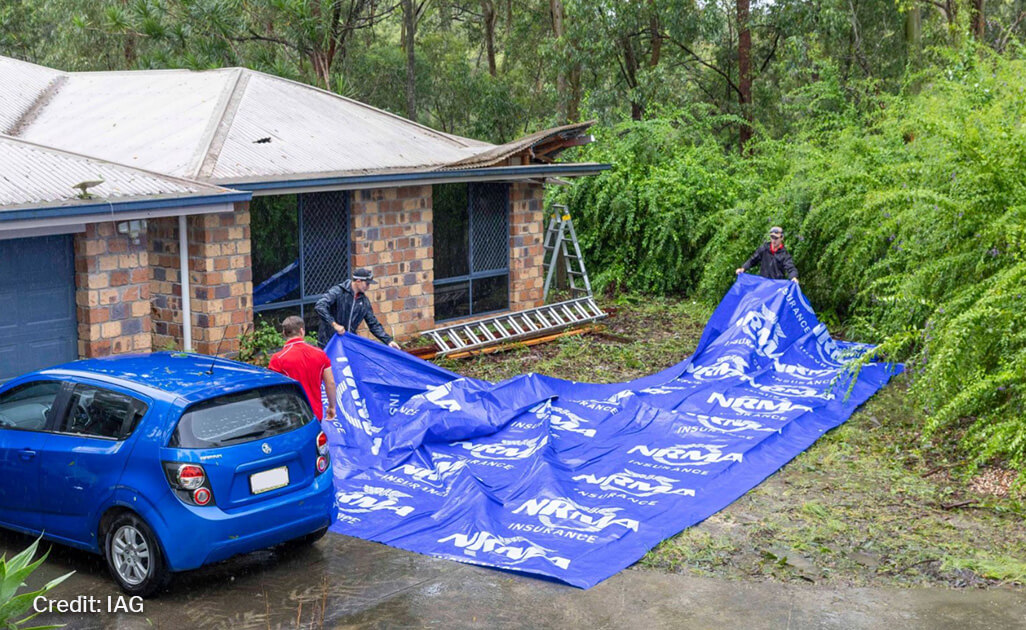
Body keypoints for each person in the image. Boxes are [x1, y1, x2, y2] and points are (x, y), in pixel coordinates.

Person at [268, 316, 336, 421]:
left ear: (284, 333)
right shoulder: (320, 354)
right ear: (302, 331)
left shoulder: (278, 359)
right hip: (315, 413)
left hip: (291, 417)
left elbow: (272, 392)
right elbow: (330, 383)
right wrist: (332, 406)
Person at [315, 268, 401, 350]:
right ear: (358, 281)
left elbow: (373, 324)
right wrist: (334, 325)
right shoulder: (338, 292)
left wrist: (388, 341)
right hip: (329, 342)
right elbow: (320, 306)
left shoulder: (364, 302)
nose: (368, 287)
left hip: (347, 343)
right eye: (367, 284)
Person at [736, 226, 800, 283]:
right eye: (772, 237)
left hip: (776, 286)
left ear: (782, 238)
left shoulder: (785, 254)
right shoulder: (764, 248)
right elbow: (753, 259)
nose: (773, 240)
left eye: (776, 238)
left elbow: (791, 268)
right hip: (763, 284)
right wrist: (743, 268)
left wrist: (793, 277)